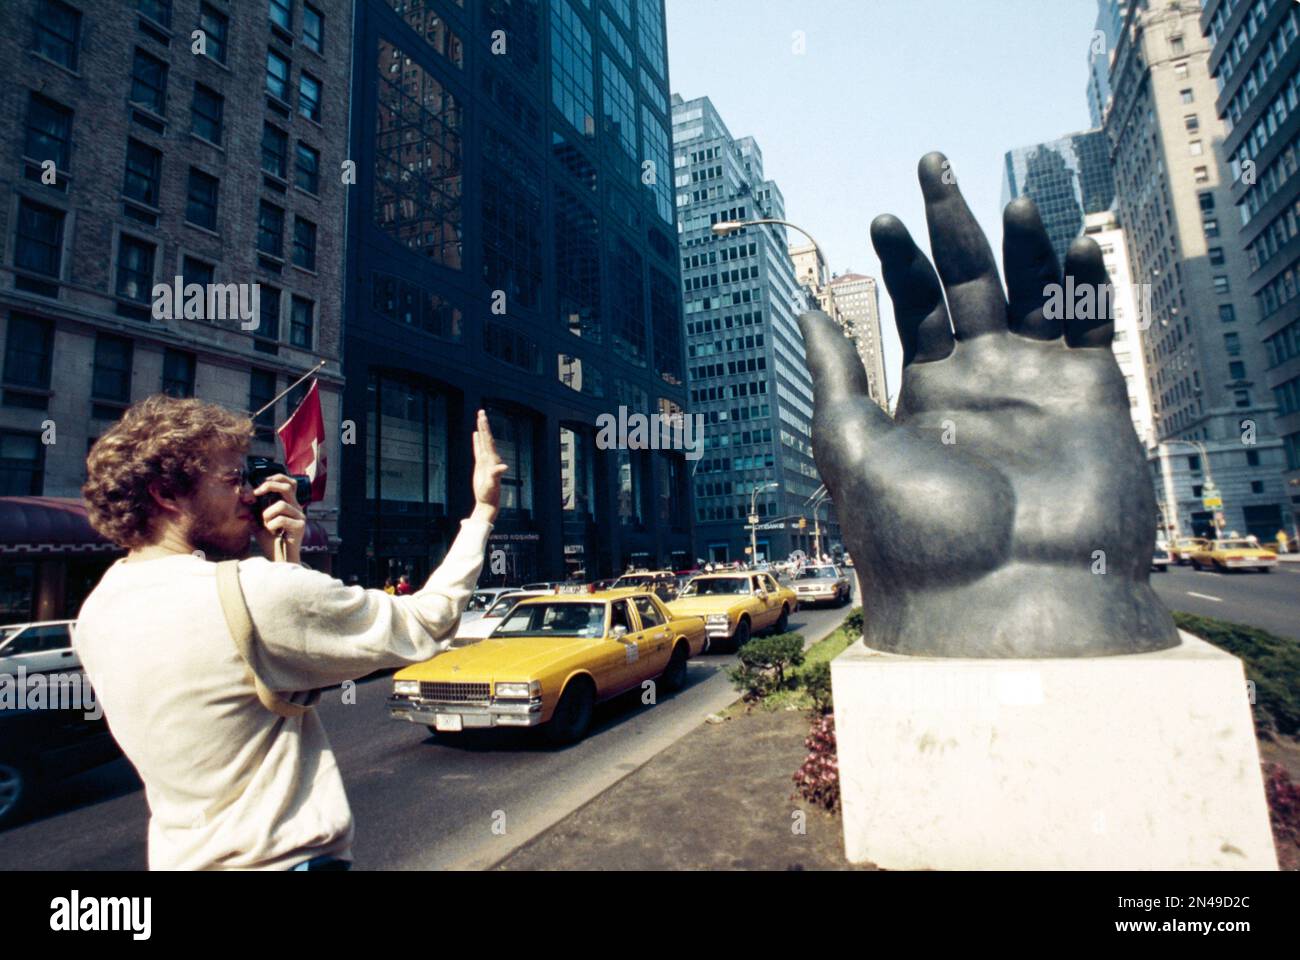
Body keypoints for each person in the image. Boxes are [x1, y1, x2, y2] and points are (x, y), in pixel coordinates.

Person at [74, 396, 507, 871]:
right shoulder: (252, 593)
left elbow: (261, 675)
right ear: (165, 493)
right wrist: (482, 511)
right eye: (233, 480)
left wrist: (287, 562)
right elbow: (427, 623)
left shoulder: (98, 611)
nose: (249, 494)